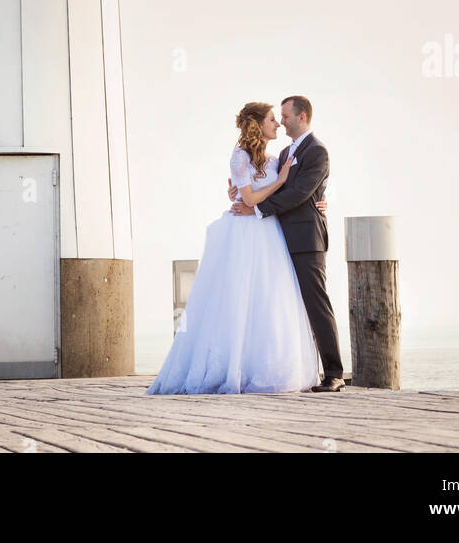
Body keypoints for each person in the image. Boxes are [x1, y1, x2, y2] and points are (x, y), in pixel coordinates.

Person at [146, 102, 321, 394]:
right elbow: (250, 199)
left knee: (270, 297)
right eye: (271, 119)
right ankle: (233, 366)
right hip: (244, 233)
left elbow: (291, 191)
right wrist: (275, 182)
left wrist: (319, 201)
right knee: (238, 297)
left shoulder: (275, 157)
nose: (277, 123)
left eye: (280, 119)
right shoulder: (240, 156)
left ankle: (265, 364)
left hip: (269, 233)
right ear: (257, 124)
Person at [230, 95, 345, 391]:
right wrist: (238, 193)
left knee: (316, 303)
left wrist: (255, 208)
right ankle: (299, 369)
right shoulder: (282, 154)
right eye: (277, 117)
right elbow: (265, 184)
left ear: (302, 117)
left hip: (306, 239)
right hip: (277, 239)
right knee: (285, 306)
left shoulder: (317, 151)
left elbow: (301, 192)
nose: (281, 121)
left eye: (286, 116)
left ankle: (334, 373)